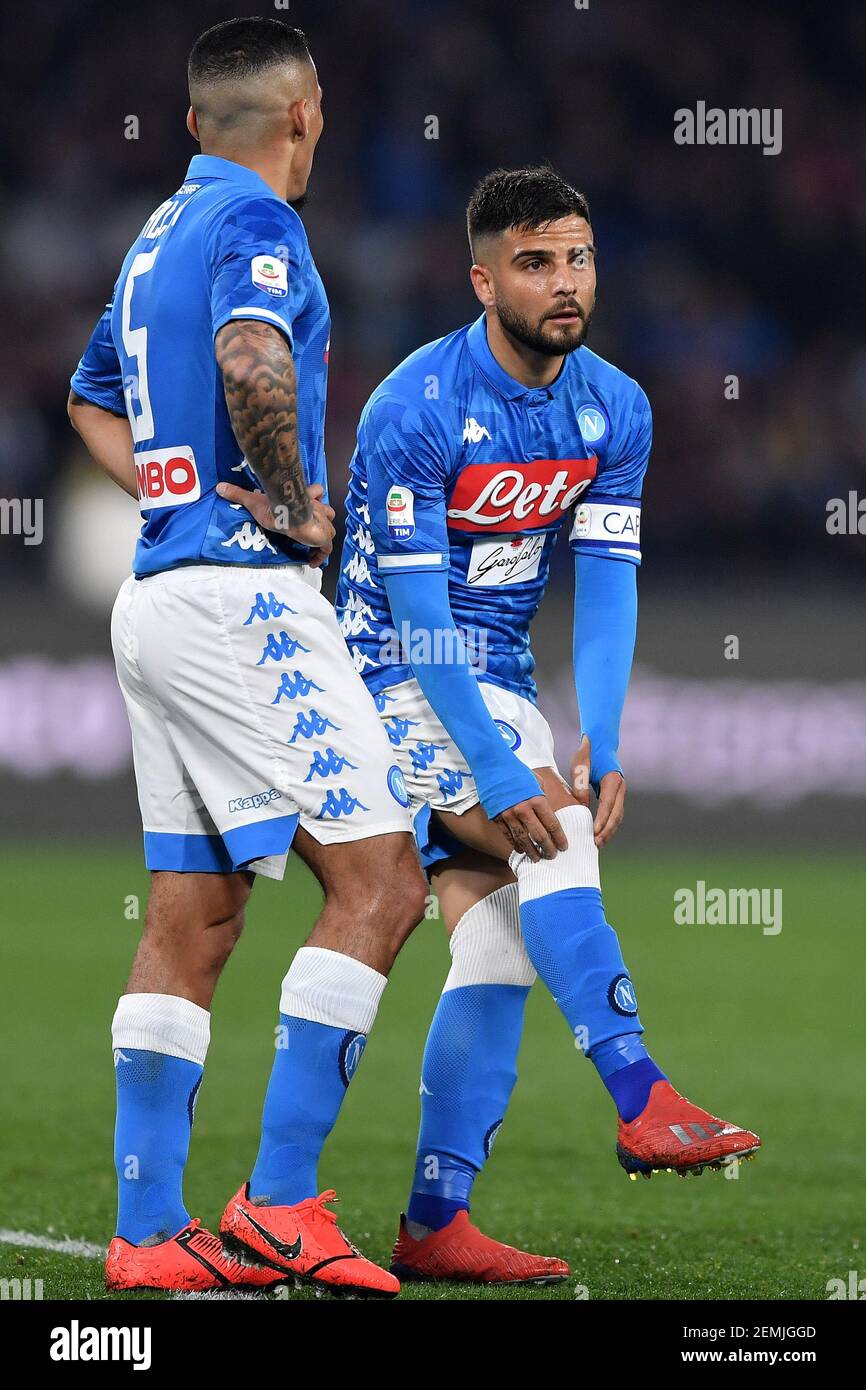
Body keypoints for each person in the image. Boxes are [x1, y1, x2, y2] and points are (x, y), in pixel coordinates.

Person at [330, 165, 761, 1285]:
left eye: (575, 257)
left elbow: (607, 581)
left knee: (496, 944)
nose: (562, 282)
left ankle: (434, 1222)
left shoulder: (613, 405)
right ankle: (641, 1094)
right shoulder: (414, 406)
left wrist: (600, 738)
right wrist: (495, 762)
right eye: (533, 262)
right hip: (385, 669)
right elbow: (419, 614)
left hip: (500, 676)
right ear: (482, 280)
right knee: (553, 835)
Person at [67, 16, 427, 1298]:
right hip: (240, 594)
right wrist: (295, 503)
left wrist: (169, 504)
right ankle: (279, 1200)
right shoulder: (258, 228)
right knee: (382, 880)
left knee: (195, 914)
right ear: (306, 114)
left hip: (157, 594)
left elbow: (89, 397)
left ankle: (149, 1233)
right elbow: (251, 353)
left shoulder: (150, 238)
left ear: (189, 123)